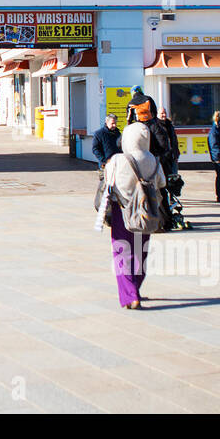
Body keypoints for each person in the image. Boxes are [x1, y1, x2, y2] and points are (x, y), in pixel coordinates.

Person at [96, 123, 165, 310]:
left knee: (121, 251)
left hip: (123, 209)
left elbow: (108, 181)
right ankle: (136, 287)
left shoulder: (118, 159)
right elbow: (161, 182)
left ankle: (130, 294)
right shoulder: (152, 159)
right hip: (146, 210)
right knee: (140, 251)